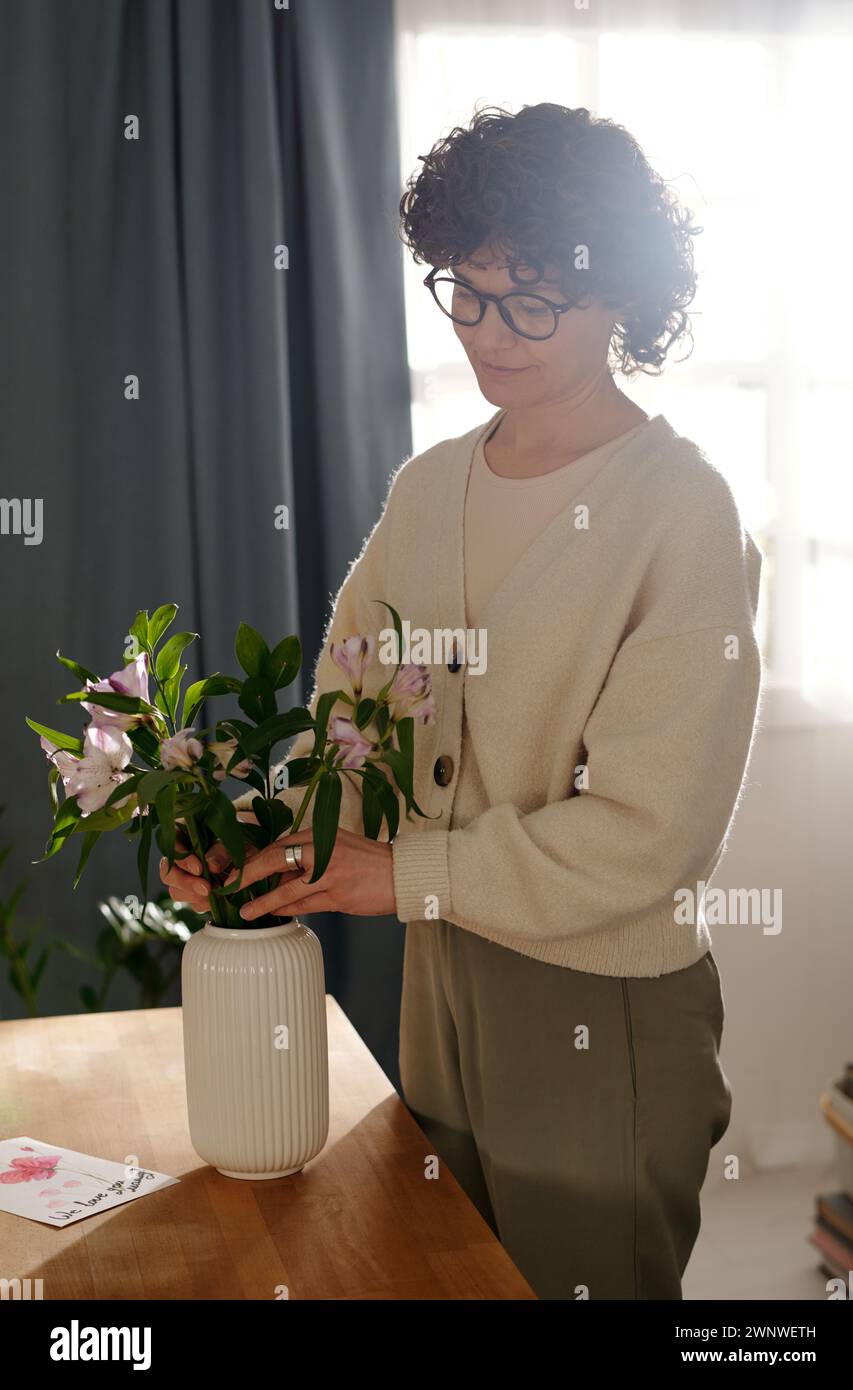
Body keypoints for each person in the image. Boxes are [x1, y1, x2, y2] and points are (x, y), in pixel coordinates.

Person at [161, 103, 762, 1300]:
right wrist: (274, 838)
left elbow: (650, 836)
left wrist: (404, 876)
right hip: (439, 982)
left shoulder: (679, 514)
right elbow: (351, 712)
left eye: (531, 301)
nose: (491, 332)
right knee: (444, 1281)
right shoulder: (430, 489)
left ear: (619, 297)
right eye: (468, 291)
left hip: (606, 1008)